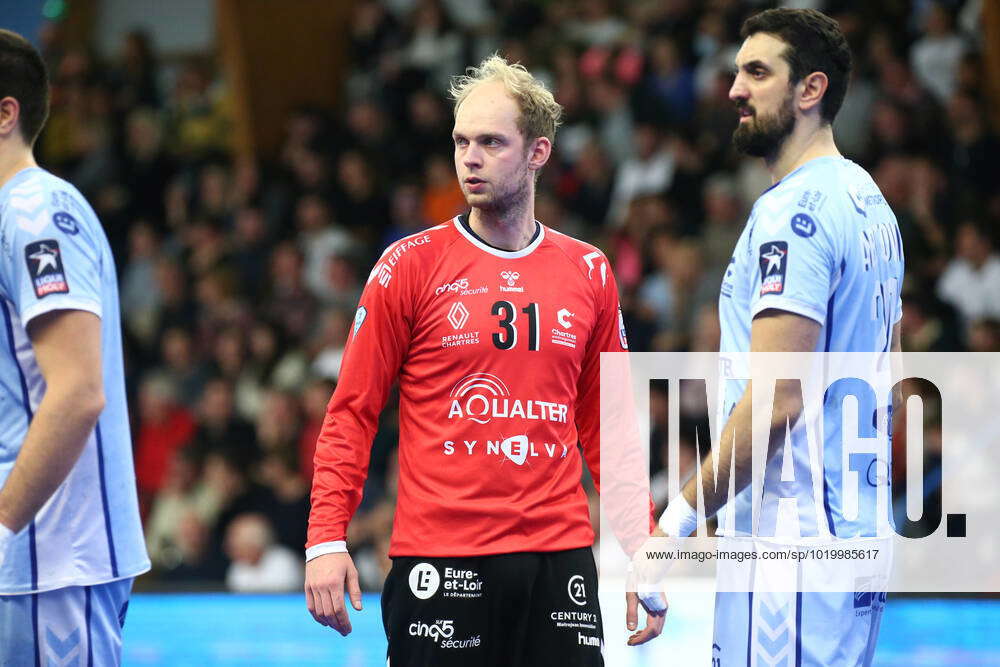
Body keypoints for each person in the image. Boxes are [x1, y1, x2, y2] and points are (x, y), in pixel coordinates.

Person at [304, 54, 653, 664]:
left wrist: (643, 551)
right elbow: (351, 412)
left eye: (492, 142)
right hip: (441, 560)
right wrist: (325, 537)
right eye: (462, 141)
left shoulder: (589, 270)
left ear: (538, 153)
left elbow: (611, 429)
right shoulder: (407, 265)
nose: (470, 157)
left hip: (559, 562)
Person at [640, 9, 904, 665]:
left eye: (757, 72)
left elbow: (776, 401)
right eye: (737, 72)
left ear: (810, 89)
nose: (734, 89)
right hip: (854, 534)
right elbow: (892, 373)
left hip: (791, 541)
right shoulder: (871, 202)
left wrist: (671, 529)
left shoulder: (793, 212)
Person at [0, 29, 150, 664]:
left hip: (51, 561)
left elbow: (78, 392)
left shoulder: (35, 212)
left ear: (5, 113)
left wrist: (0, 527)